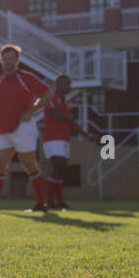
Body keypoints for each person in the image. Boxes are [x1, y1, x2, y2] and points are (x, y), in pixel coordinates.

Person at [0, 44, 54, 213]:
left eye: (11, 59)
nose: (8, 62)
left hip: (23, 128)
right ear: (1, 60)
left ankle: (41, 205)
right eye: (5, 59)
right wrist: (0, 114)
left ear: (17, 61)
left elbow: (48, 94)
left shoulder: (26, 77)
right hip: (3, 129)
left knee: (30, 166)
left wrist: (31, 111)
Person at [39, 73, 98, 210]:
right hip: (53, 139)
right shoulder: (52, 97)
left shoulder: (64, 102)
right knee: (56, 168)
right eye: (67, 84)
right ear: (59, 84)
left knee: (60, 171)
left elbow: (71, 123)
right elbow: (55, 115)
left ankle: (60, 202)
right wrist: (68, 117)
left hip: (63, 139)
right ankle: (50, 201)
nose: (69, 86)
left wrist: (86, 135)